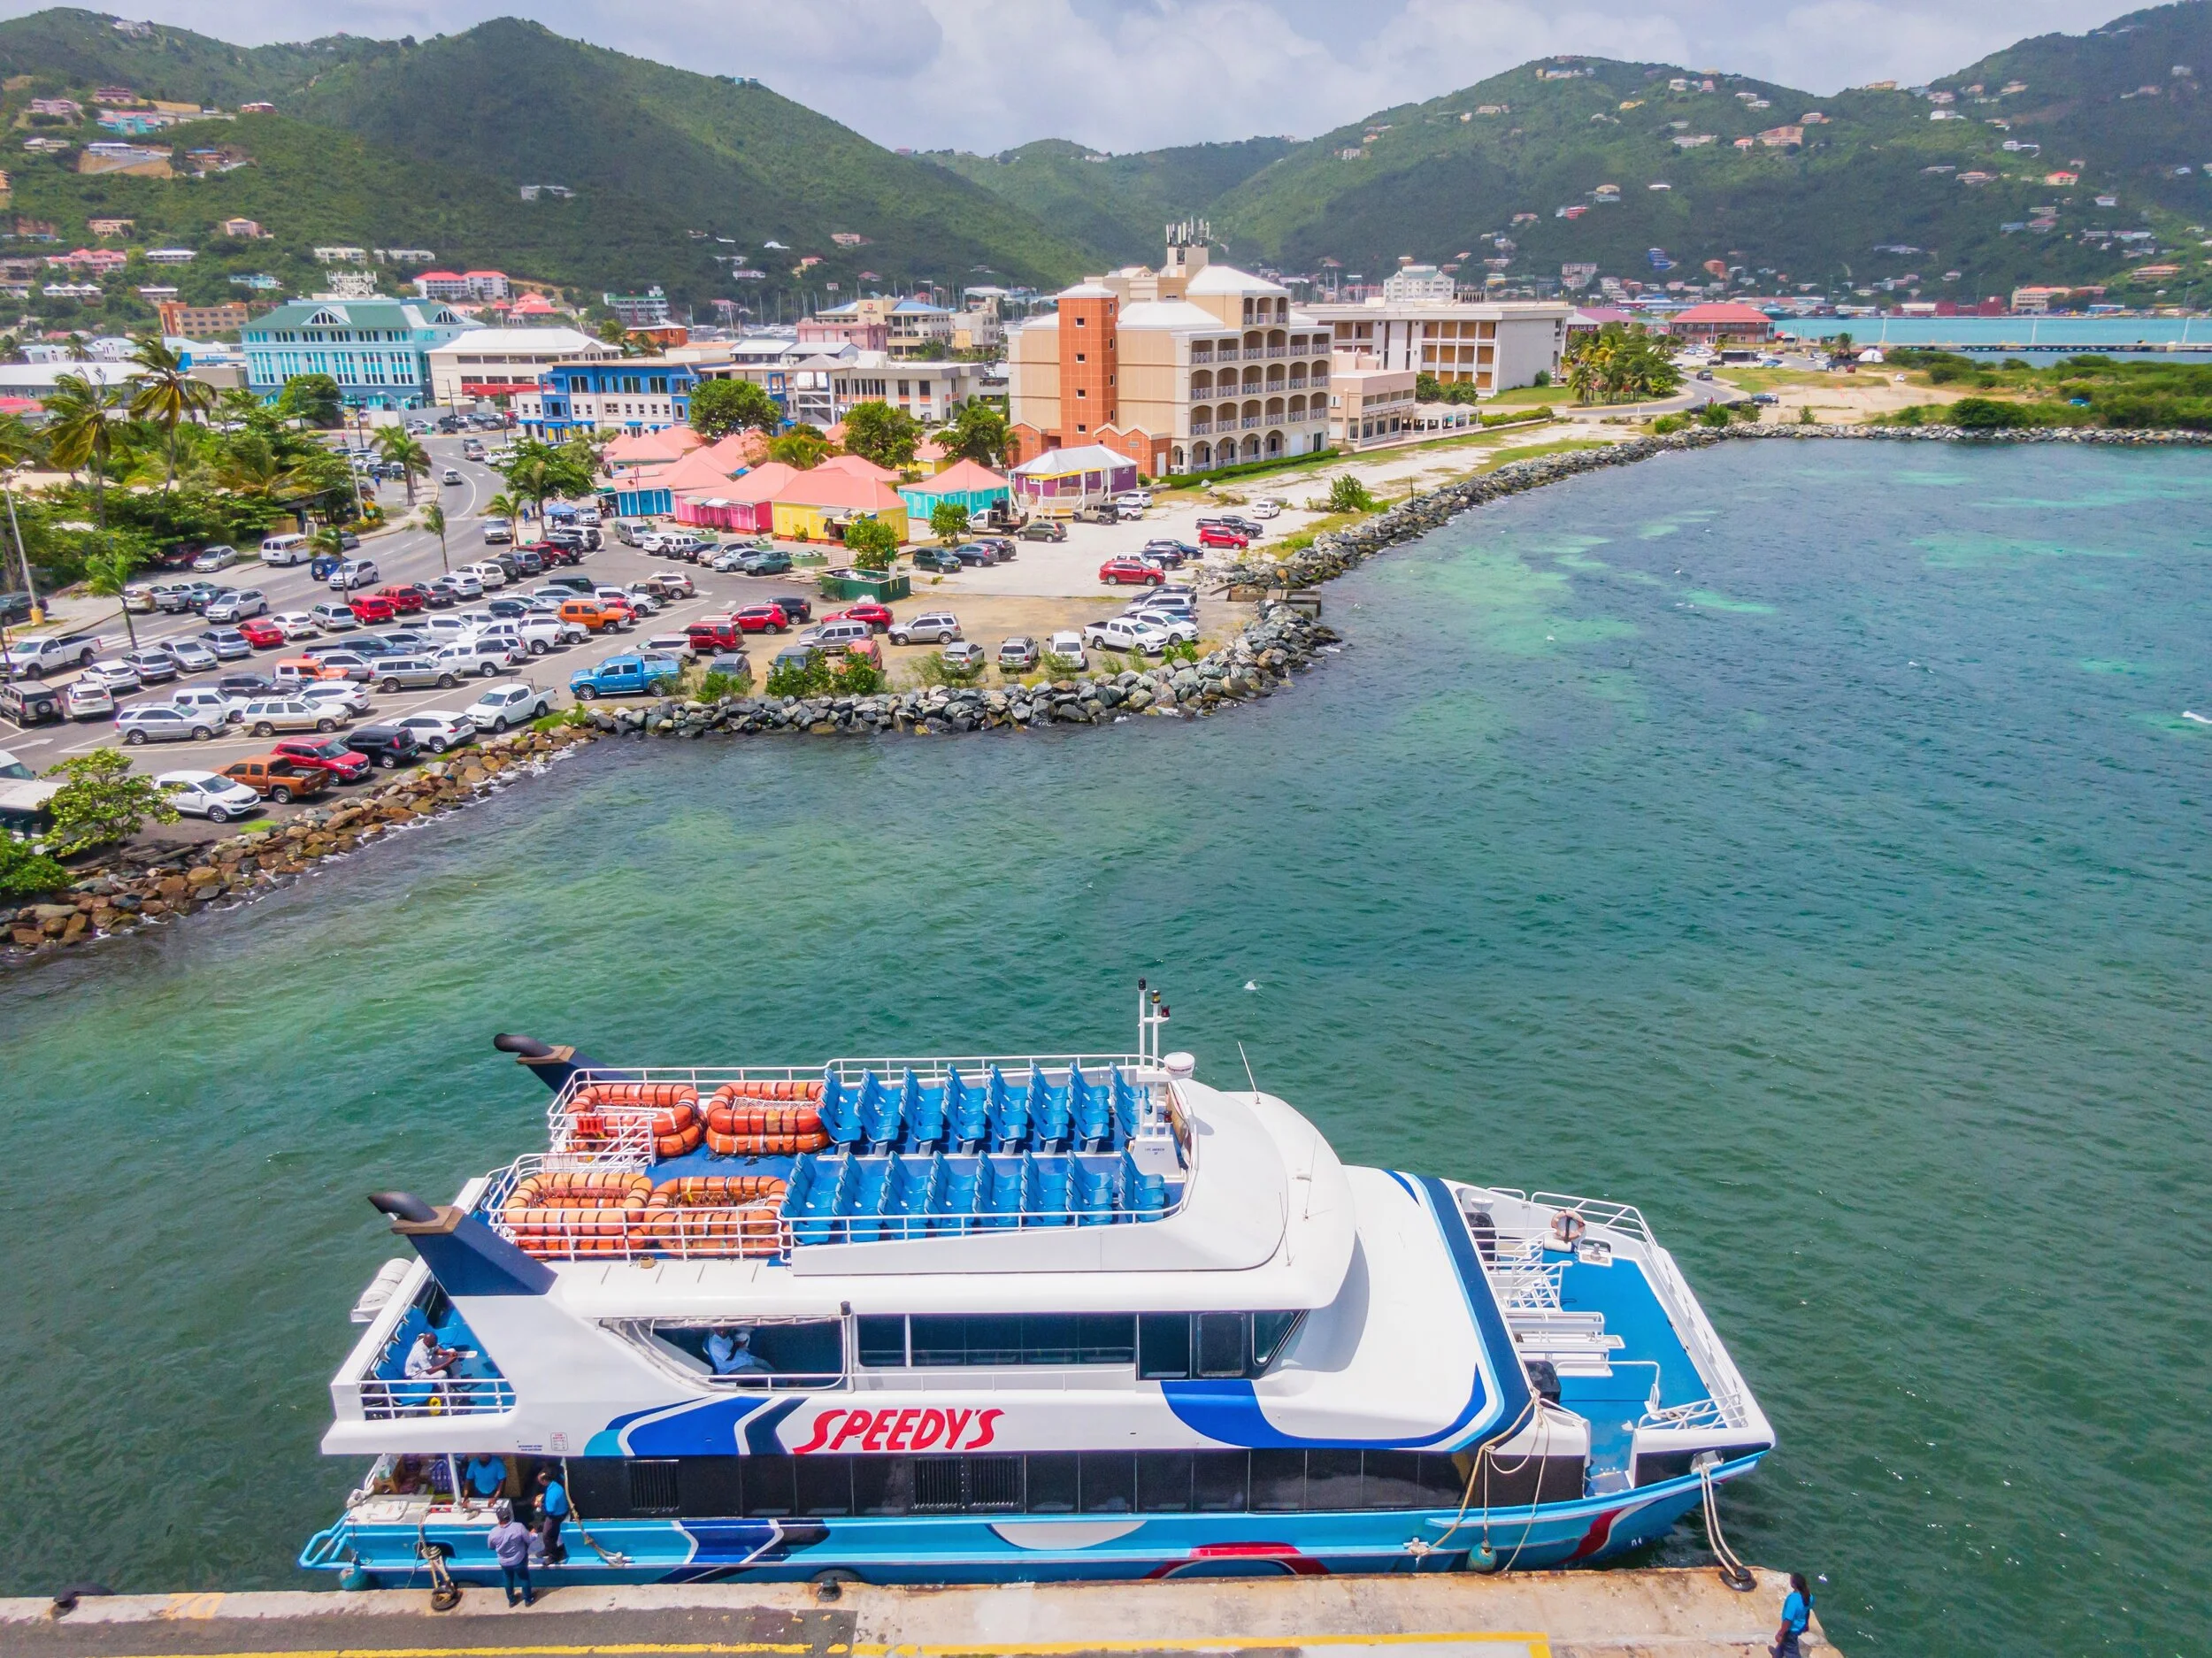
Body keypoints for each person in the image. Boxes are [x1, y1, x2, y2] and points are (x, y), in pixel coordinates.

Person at [487, 1500, 534, 1608]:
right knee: (524, 1578)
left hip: (504, 1562)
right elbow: (528, 1539)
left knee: (508, 1579)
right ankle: (528, 1600)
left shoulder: (493, 1532)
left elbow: (490, 1547)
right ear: (509, 1516)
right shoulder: (519, 1527)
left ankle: (512, 1601)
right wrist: (533, 1534)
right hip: (519, 1560)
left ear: (498, 1519)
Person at [1770, 1571, 1813, 1658]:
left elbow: (1788, 1620)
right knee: (1784, 1643)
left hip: (1790, 1630)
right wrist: (1807, 1624)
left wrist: (1781, 1633)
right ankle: (1777, 1655)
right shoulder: (1809, 1596)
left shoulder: (1793, 1600)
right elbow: (1807, 1611)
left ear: (1794, 1585)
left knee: (1791, 1651)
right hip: (1800, 1626)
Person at [535, 1467, 570, 1564]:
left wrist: (540, 1505)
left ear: (545, 1481)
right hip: (560, 1512)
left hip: (555, 1517)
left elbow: (550, 1510)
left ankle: (554, 1556)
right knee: (552, 1535)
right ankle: (548, 1549)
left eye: (540, 1481)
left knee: (547, 1536)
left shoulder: (552, 1493)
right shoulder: (555, 1486)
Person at [705, 1326, 771, 1376]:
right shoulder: (715, 1345)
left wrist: (740, 1344)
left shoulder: (726, 1335)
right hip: (732, 1368)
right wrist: (736, 1346)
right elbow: (729, 1358)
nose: (728, 1329)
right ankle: (777, 1383)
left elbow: (732, 1345)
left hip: (742, 1358)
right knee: (762, 1373)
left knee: (764, 1363)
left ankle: (778, 1378)